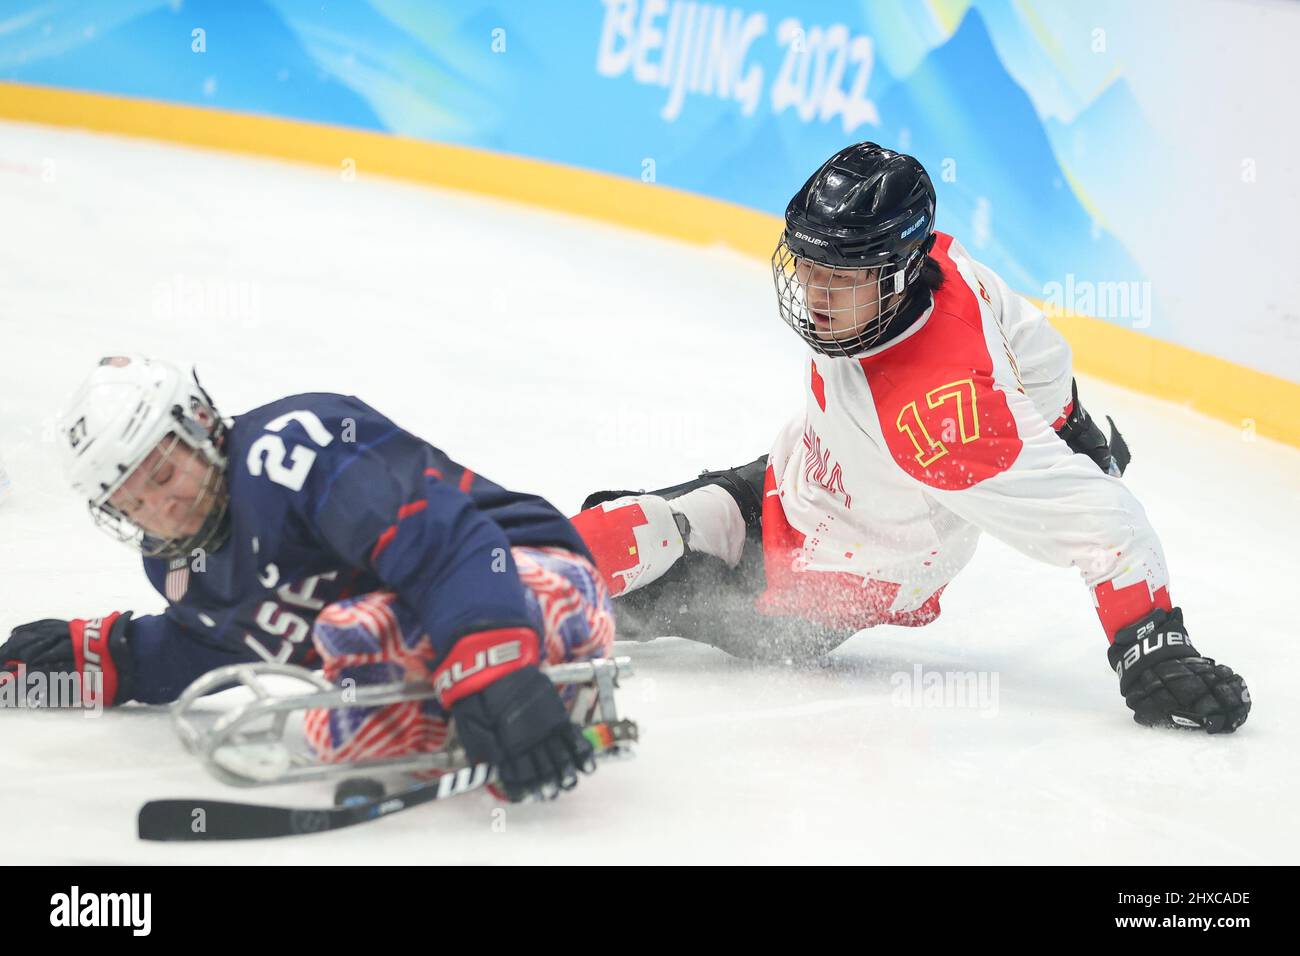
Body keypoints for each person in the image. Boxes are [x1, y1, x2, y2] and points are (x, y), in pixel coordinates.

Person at [572, 142, 1250, 734]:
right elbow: (1033, 345)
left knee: (636, 563)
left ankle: (508, 618)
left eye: (837, 278)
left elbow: (1106, 524)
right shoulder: (946, 268)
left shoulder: (941, 422)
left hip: (815, 586)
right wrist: (1070, 426)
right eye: (808, 266)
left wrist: (1154, 647)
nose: (813, 292)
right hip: (791, 485)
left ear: (895, 273)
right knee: (627, 526)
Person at [0, 355, 614, 799]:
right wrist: (116, 659)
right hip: (452, 619)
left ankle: (527, 685)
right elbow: (225, 643)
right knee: (333, 728)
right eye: (130, 505)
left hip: (526, 577)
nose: (158, 512)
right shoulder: (173, 562)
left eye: (161, 477)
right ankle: (482, 706)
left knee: (358, 634)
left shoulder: (290, 451)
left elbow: (443, 542)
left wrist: (497, 665)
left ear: (199, 423)